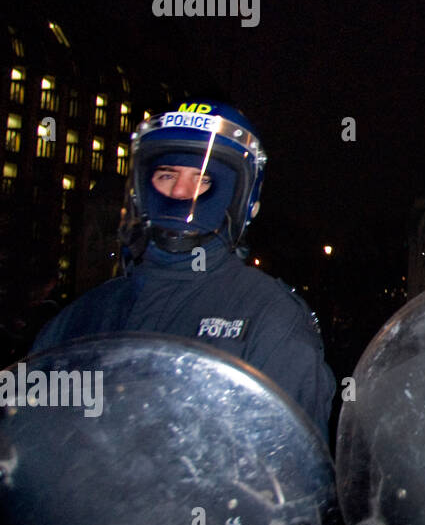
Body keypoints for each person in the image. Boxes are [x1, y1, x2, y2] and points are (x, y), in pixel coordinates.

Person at [32, 100, 335, 439]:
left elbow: (290, 467)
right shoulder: (81, 317)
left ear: (240, 198)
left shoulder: (268, 318)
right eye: (166, 175)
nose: (179, 192)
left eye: (202, 179)